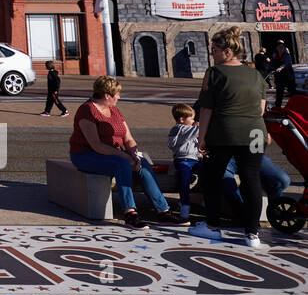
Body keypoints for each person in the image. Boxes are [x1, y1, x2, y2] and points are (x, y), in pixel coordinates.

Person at [68, 75, 185, 229]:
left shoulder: (114, 111)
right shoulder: (87, 111)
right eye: (116, 94)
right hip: (86, 155)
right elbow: (96, 145)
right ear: (106, 95)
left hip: (114, 154)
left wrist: (134, 154)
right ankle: (130, 213)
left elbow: (128, 138)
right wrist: (124, 156)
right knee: (122, 164)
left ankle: (163, 212)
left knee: (143, 164)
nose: (119, 97)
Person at [193, 27, 267, 247]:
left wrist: (201, 137)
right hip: (255, 132)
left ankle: (212, 226)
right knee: (252, 179)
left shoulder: (214, 73)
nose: (212, 54)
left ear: (227, 51)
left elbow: (206, 109)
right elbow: (261, 109)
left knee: (213, 178)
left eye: (214, 50)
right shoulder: (255, 74)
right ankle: (252, 233)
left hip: (224, 131)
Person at [222, 155, 291, 217]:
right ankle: (244, 214)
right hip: (224, 155)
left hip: (251, 152)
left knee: (282, 180)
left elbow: (267, 141)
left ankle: (274, 211)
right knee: (228, 184)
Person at [167, 103, 202, 222]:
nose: (193, 121)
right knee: (184, 181)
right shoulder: (179, 129)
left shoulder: (190, 130)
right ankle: (185, 206)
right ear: (182, 119)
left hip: (195, 160)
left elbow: (196, 142)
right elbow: (196, 132)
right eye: (191, 118)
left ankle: (204, 201)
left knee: (208, 173)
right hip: (183, 160)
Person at [271, 40, 295, 109]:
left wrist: (281, 67)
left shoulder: (286, 54)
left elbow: (287, 62)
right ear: (277, 48)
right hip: (279, 76)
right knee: (279, 92)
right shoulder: (275, 55)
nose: (280, 48)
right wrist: (269, 67)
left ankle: (293, 106)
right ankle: (278, 107)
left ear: (284, 47)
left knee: (291, 91)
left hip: (288, 75)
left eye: (282, 46)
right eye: (279, 46)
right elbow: (271, 62)